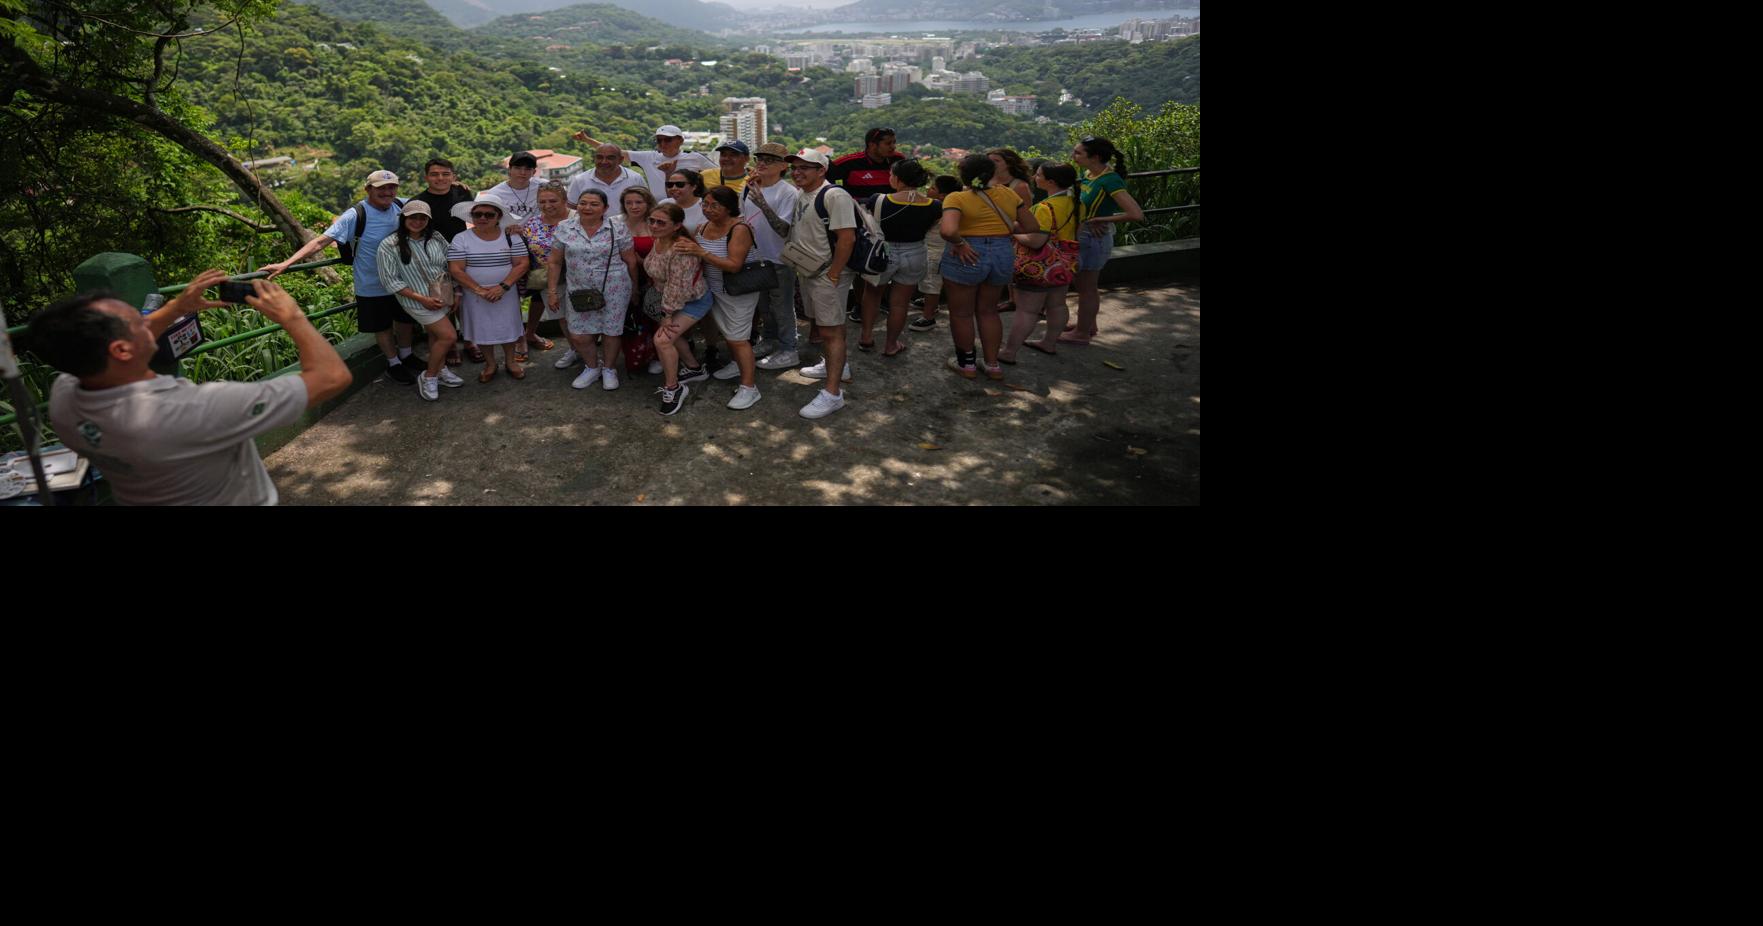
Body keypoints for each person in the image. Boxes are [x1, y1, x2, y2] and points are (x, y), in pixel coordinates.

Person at [29, 272, 351, 505]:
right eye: (139, 321)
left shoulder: (65, 396)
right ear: (121, 350)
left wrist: (177, 307)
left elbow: (125, 344)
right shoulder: (193, 409)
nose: (150, 320)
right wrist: (293, 317)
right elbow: (332, 377)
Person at [262, 169, 421, 384]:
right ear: (368, 189)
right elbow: (320, 241)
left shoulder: (402, 206)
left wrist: (457, 189)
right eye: (381, 188)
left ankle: (406, 355)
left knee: (404, 319)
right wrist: (286, 263)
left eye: (391, 187)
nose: (387, 192)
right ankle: (394, 364)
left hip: (402, 279)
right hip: (371, 282)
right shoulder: (355, 215)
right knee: (381, 326)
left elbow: (430, 202)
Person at [939, 153, 1037, 380]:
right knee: (989, 311)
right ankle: (992, 365)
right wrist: (999, 230)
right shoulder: (1009, 194)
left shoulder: (957, 198)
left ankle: (967, 365)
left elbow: (948, 230)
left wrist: (961, 243)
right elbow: (1031, 225)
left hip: (968, 252)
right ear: (992, 173)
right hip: (1002, 251)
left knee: (962, 313)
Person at [780, 148, 856, 420]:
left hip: (826, 274)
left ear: (821, 170)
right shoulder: (803, 193)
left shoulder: (834, 195)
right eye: (795, 168)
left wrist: (834, 273)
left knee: (831, 330)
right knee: (827, 326)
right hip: (810, 271)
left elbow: (847, 238)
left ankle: (833, 394)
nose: (797, 172)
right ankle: (837, 366)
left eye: (804, 167)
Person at [676, 186, 763, 410]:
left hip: (737, 292)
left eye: (715, 205)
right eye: (705, 204)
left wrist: (701, 252)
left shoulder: (739, 228)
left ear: (729, 207)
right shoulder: (703, 227)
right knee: (729, 334)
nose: (708, 209)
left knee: (738, 339)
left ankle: (749, 388)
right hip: (712, 289)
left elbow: (734, 265)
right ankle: (736, 364)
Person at [547, 189, 638, 393]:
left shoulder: (617, 228)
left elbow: (630, 261)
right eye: (583, 203)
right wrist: (552, 292)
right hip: (579, 289)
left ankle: (609, 368)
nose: (587, 208)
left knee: (611, 331)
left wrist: (635, 289)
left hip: (614, 287)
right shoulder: (565, 227)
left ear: (605, 208)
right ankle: (592, 367)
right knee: (579, 334)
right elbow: (554, 262)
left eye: (594, 204)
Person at [374, 200, 464, 399]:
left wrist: (457, 291)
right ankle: (429, 377)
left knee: (435, 336)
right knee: (449, 336)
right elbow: (390, 281)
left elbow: (450, 264)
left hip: (441, 295)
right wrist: (422, 299)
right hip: (415, 301)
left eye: (422, 217)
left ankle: (440, 371)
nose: (417, 221)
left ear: (428, 219)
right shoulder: (389, 245)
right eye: (412, 217)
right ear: (403, 218)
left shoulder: (436, 237)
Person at [1065, 135, 1145, 345]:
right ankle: (1088, 325)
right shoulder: (1089, 174)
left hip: (1095, 238)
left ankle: (1081, 334)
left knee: (1087, 288)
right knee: (1082, 286)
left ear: (1095, 157)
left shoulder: (1110, 180)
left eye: (1078, 153)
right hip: (1084, 236)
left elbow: (1136, 214)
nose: (1073, 156)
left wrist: (1101, 219)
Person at [856, 159, 940, 357]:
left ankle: (866, 337)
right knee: (900, 303)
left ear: (898, 179)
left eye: (891, 175)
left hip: (882, 253)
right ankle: (891, 344)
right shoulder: (935, 205)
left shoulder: (878, 199)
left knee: (872, 295)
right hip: (915, 252)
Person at [1000, 163, 1080, 364]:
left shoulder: (1044, 208)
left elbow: (1036, 241)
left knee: (1027, 310)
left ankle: (1009, 352)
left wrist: (1013, 234)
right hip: (1064, 263)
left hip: (1040, 266)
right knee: (1058, 305)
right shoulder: (1076, 202)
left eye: (1038, 175)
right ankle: (1049, 343)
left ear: (1050, 182)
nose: (1034, 177)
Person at [447, 193, 530, 382]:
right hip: (475, 294)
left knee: (508, 327)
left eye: (489, 214)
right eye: (478, 214)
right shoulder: (461, 238)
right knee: (481, 329)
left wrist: (502, 287)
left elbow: (522, 264)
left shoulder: (511, 237)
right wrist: (480, 290)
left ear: (499, 216)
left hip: (506, 292)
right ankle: (490, 364)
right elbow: (456, 269)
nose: (482, 218)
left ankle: (510, 361)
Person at [828, 127, 906, 324]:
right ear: (872, 145)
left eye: (894, 142)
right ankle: (860, 304)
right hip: (859, 223)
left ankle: (881, 300)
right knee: (862, 262)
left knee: (887, 260)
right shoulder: (848, 163)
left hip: (889, 221)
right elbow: (828, 185)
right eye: (888, 143)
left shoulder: (898, 161)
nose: (893, 147)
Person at [643, 202, 712, 416]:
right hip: (667, 299)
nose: (654, 226)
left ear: (676, 226)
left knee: (663, 340)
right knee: (673, 336)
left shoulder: (680, 249)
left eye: (661, 222)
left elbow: (678, 286)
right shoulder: (659, 240)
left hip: (691, 300)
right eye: (652, 221)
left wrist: (667, 314)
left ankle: (673, 388)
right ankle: (694, 368)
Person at [410, 158, 475, 367]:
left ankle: (470, 341)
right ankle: (451, 345)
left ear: (453, 176)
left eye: (446, 174)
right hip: (434, 258)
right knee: (443, 301)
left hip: (461, 253)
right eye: (435, 174)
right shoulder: (418, 202)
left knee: (466, 301)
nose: (440, 178)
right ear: (426, 177)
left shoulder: (462, 193)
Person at [745, 143, 803, 371]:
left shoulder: (787, 192)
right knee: (764, 306)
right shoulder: (749, 188)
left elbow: (783, 229)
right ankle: (769, 340)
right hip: (755, 258)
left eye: (769, 160)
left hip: (779, 259)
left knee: (782, 306)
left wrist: (761, 202)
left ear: (782, 166)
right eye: (759, 158)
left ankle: (789, 348)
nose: (761, 163)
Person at [515, 181, 570, 363]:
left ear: (564, 200)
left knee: (583, 317)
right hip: (549, 279)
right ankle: (575, 350)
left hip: (578, 276)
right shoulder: (533, 222)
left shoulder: (577, 219)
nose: (547, 205)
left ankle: (588, 354)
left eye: (553, 201)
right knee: (563, 319)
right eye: (542, 201)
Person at [572, 124, 713, 195]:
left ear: (680, 141)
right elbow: (615, 152)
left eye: (668, 140)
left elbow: (718, 174)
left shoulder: (695, 157)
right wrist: (587, 140)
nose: (663, 143)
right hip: (659, 210)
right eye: (659, 140)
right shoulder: (649, 157)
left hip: (690, 207)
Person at [908, 174, 963, 334]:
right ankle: (931, 303)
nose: (928, 189)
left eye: (933, 188)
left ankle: (928, 316)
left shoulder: (936, 208)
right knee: (933, 281)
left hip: (935, 251)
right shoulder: (956, 207)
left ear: (942, 195)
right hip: (942, 249)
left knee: (931, 282)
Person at [566, 143, 648, 212]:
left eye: (610, 158)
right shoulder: (580, 180)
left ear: (620, 160)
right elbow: (571, 209)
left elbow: (648, 205)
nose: (604, 161)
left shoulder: (635, 179)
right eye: (599, 157)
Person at [486, 151, 542, 228]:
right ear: (509, 169)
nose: (522, 172)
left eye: (528, 169)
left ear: (534, 172)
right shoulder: (494, 194)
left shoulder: (542, 187)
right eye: (518, 168)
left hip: (536, 233)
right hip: (505, 234)